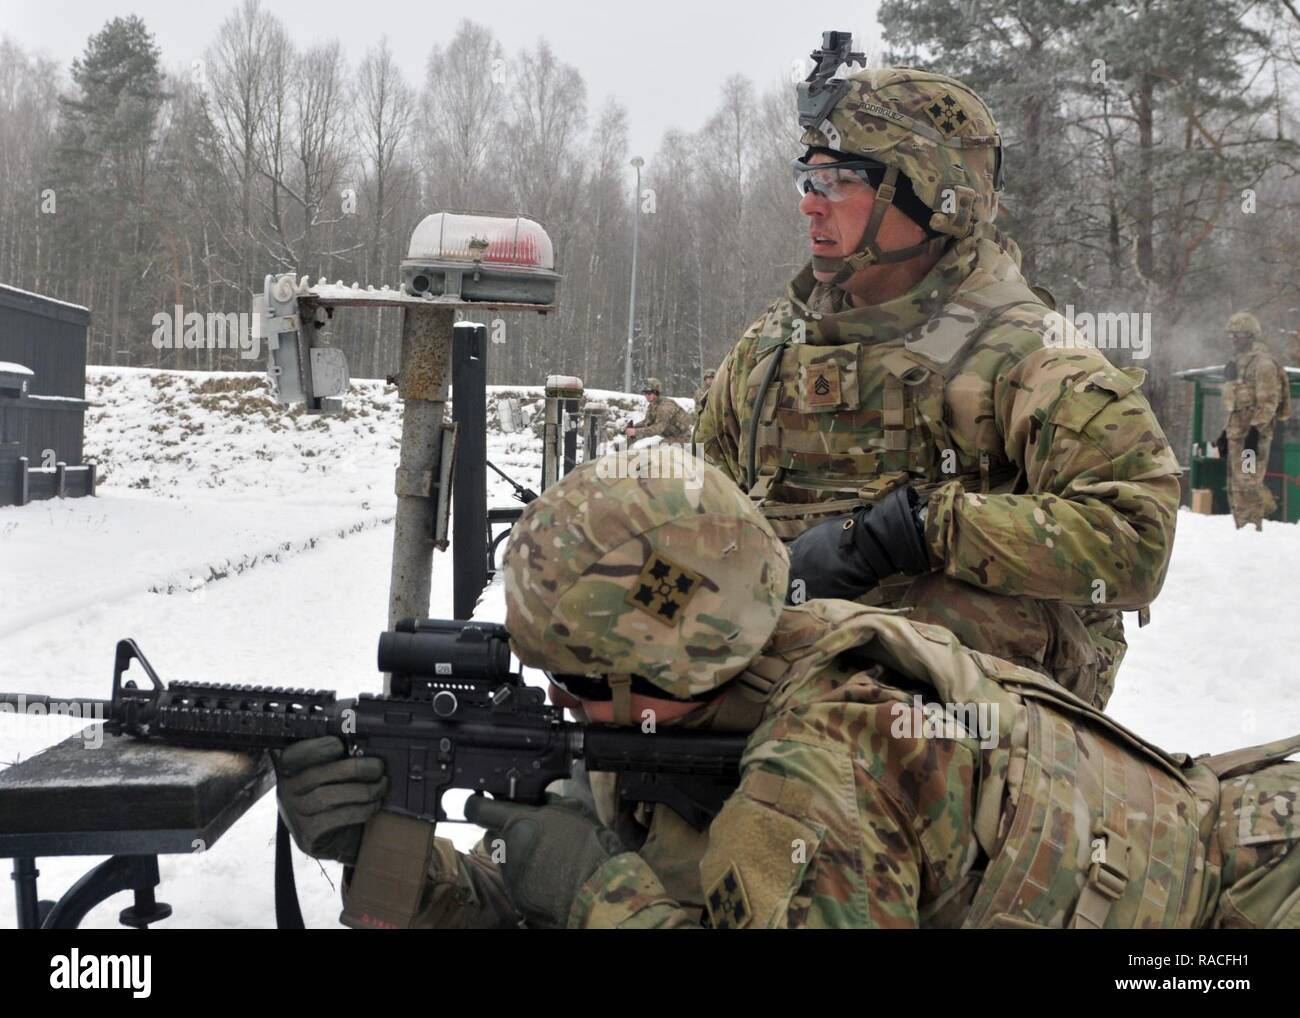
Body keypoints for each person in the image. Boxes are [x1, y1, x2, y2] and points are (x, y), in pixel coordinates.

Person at [276, 448, 1300, 929]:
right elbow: (624, 877)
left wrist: (591, 890)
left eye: (576, 680)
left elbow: (605, 884)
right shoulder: (717, 684)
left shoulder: (834, 747)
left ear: (659, 675)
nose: (555, 704)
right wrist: (389, 860)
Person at [695, 61, 1180, 709]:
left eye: (840, 179)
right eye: (807, 177)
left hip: (976, 731)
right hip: (784, 688)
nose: (811, 200)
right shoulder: (774, 349)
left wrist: (915, 530)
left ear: (931, 195)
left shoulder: (1026, 350)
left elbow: (1138, 537)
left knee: (950, 609)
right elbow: (699, 501)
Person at [1214, 312, 1291, 530]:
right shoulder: (1239, 364)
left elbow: (1268, 403)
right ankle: (1243, 531)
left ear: (1250, 335)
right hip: (1238, 437)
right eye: (1232, 336)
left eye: (1237, 335)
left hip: (1251, 441)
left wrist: (1253, 434)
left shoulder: (1263, 364)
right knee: (1235, 486)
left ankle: (1252, 532)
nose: (1233, 340)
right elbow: (1236, 405)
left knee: (1248, 483)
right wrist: (1225, 432)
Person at [625, 377, 692, 445]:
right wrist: (633, 428)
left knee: (662, 446)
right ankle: (621, 448)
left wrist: (636, 431)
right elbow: (647, 422)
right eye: (645, 393)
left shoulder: (665, 406)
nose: (646, 396)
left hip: (682, 437)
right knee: (634, 436)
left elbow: (658, 428)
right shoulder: (653, 405)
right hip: (669, 434)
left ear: (656, 393)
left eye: (649, 393)